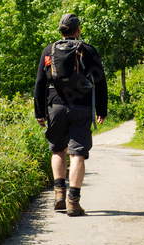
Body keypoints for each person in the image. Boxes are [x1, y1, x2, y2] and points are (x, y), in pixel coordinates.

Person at [34, 13, 108, 216]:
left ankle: (59, 195)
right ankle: (73, 202)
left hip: (55, 106)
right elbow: (100, 81)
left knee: (58, 150)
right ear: (78, 29)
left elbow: (40, 83)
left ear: (61, 30)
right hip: (82, 107)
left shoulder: (49, 50)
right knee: (77, 154)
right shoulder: (88, 50)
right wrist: (102, 110)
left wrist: (39, 112)